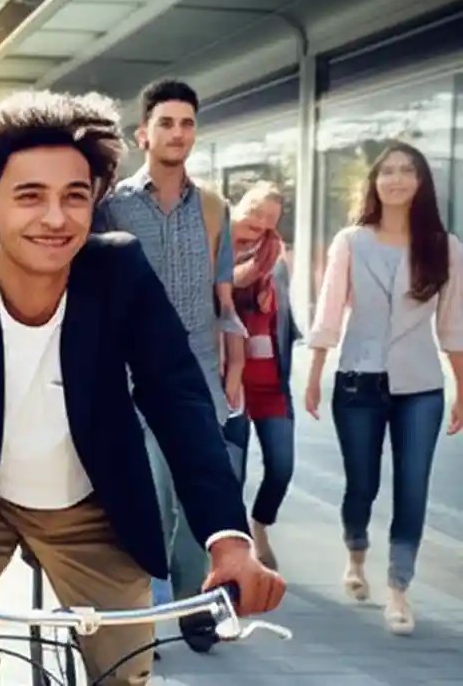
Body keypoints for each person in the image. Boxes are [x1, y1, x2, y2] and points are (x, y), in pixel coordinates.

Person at [0, 90, 285, 686]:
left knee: (125, 671)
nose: (56, 218)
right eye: (30, 196)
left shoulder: (119, 272)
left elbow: (178, 397)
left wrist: (228, 538)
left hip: (94, 507)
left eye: (75, 197)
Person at [94, 79, 245, 646]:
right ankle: (150, 613)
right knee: (151, 499)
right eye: (166, 123)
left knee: (198, 497)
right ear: (144, 133)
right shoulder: (112, 208)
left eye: (186, 124)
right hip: (135, 380)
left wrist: (233, 375)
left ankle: (195, 604)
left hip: (201, 378)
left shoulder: (213, 208)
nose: (177, 133)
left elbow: (224, 302)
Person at [304, 141, 463, 636]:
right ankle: (355, 555)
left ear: (421, 183)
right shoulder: (350, 241)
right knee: (362, 486)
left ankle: (398, 587)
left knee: (412, 486)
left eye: (407, 171)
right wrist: (313, 375)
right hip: (358, 381)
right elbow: (329, 312)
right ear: (374, 182)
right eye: (387, 171)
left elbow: (454, 325)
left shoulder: (446, 246)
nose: (396, 179)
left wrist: (462, 385)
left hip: (420, 387)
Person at [223, 182, 299, 568]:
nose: (261, 222)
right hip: (230, 384)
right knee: (230, 476)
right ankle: (234, 554)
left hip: (270, 383)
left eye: (270, 217)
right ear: (240, 204)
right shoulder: (216, 245)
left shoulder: (275, 258)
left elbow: (284, 320)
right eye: (255, 210)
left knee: (282, 465)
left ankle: (261, 523)